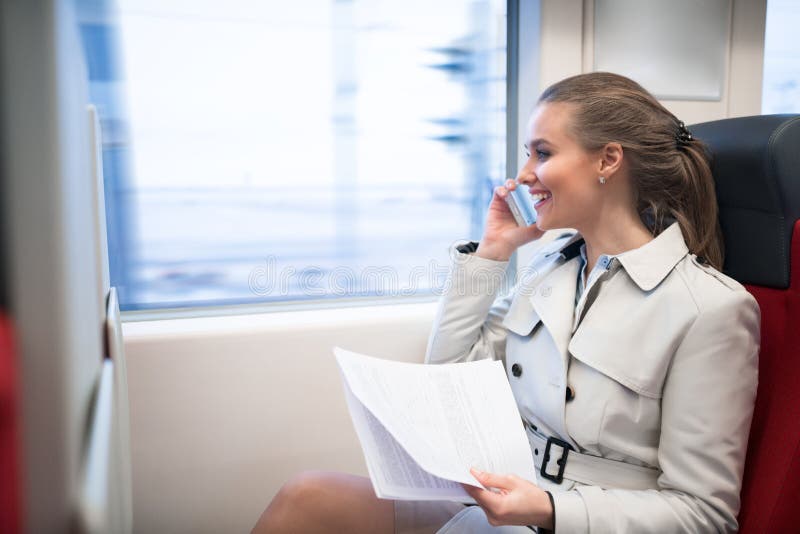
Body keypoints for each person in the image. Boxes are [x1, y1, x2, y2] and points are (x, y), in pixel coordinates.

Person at [251, 72, 760, 533]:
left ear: (607, 159)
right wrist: (493, 252)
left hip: (575, 519)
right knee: (308, 497)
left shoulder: (708, 308)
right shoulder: (551, 269)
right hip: (505, 499)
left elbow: (704, 514)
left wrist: (548, 509)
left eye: (542, 153)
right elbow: (448, 372)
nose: (522, 175)